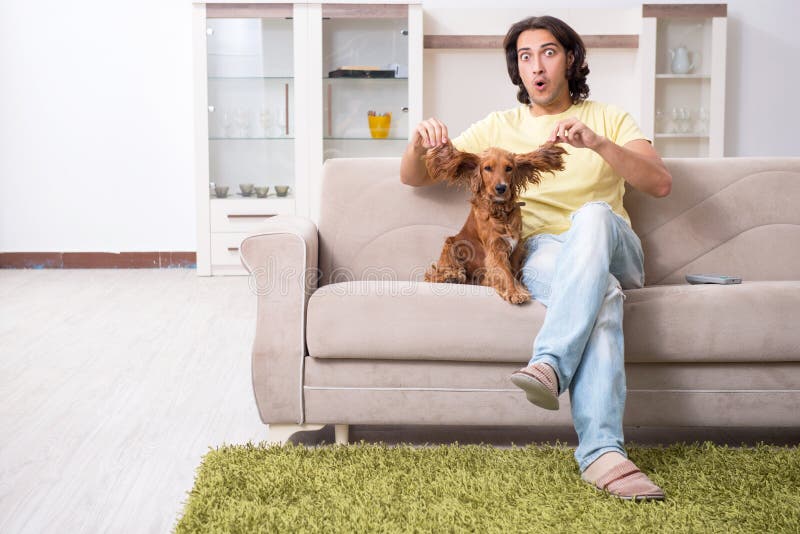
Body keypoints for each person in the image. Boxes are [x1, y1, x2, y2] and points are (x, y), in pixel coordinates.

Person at [400, 15, 672, 501]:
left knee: (591, 216)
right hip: (546, 252)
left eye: (547, 52)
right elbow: (415, 178)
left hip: (612, 244)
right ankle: (604, 456)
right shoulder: (499, 128)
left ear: (569, 59)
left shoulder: (608, 117)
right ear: (518, 70)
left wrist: (598, 143)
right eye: (525, 57)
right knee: (601, 295)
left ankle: (549, 362)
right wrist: (417, 139)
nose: (536, 66)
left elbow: (659, 182)